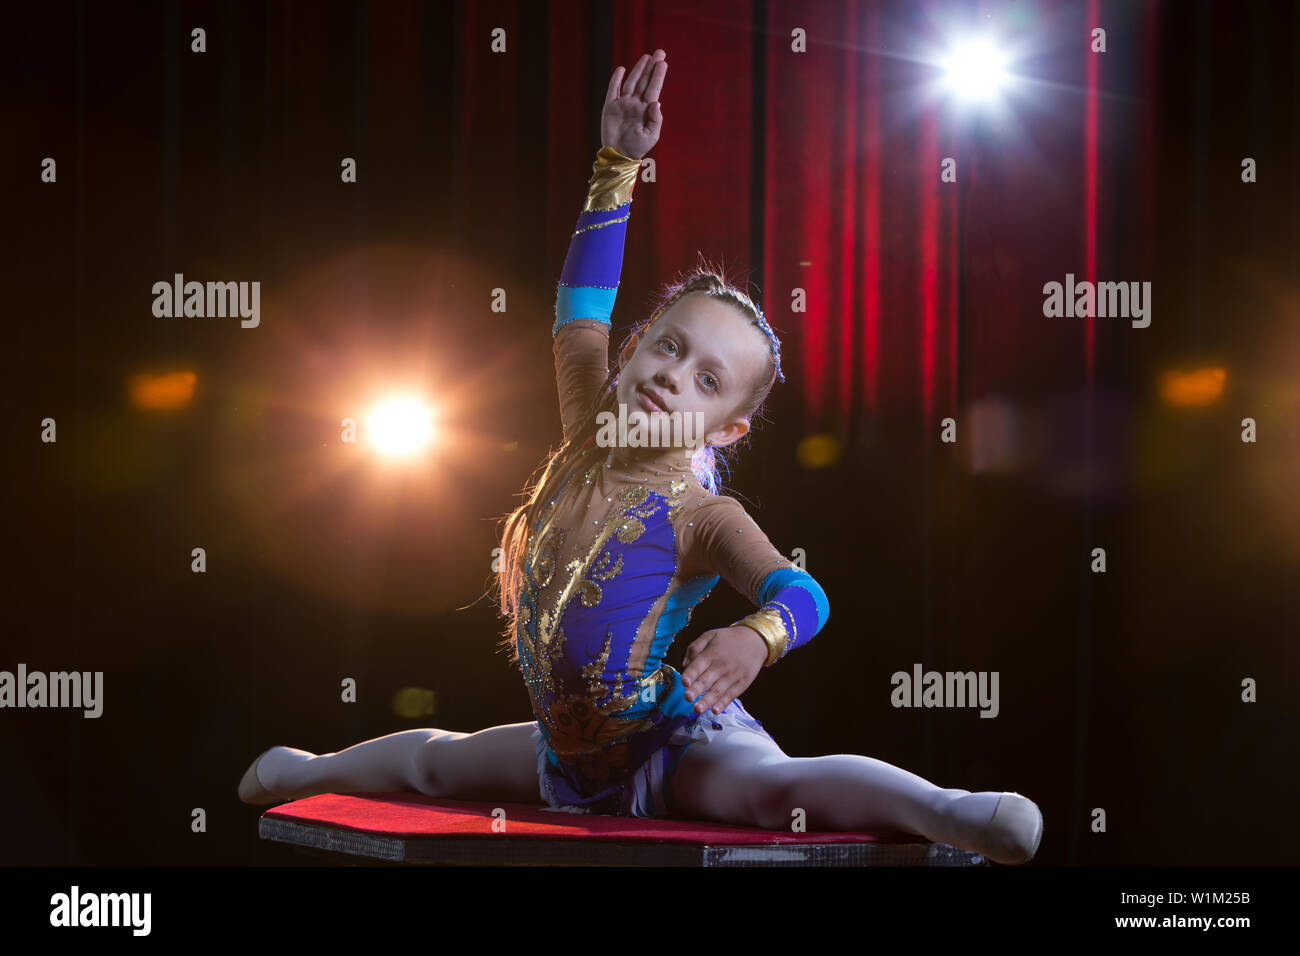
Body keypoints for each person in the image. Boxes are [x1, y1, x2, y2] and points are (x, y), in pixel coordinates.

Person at [239, 49, 1043, 865]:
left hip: (673, 746)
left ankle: (954, 808)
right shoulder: (591, 427)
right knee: (436, 762)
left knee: (775, 794)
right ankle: (309, 769)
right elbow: (580, 311)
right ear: (630, 355)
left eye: (707, 379)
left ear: (726, 429)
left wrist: (754, 640)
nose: (670, 373)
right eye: (667, 345)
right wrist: (616, 165)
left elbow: (801, 591)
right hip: (566, 754)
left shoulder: (701, 516)